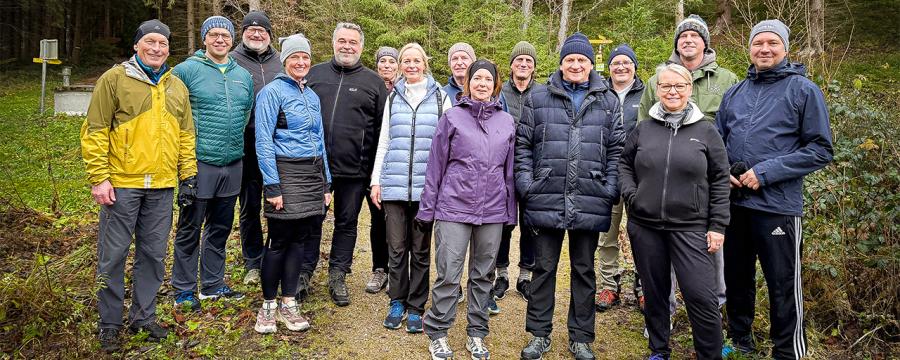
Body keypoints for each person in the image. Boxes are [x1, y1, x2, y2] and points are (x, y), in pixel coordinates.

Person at [717, 20, 833, 359]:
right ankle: (740, 342)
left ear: (784, 48)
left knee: (783, 284)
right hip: (735, 205)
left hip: (778, 206)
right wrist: (723, 170)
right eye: (758, 43)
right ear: (749, 49)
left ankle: (788, 351)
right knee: (737, 279)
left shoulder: (803, 90)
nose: (764, 49)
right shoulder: (735, 92)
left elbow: (820, 149)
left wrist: (765, 173)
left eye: (772, 43)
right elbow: (716, 142)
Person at [80, 19, 196, 352]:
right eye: (150, 42)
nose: (157, 48)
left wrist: (187, 175)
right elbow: (96, 130)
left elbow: (186, 136)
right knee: (113, 256)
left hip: (162, 186)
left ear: (168, 49)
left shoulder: (176, 87)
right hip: (122, 185)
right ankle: (110, 323)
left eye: (163, 43)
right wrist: (99, 177)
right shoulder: (114, 80)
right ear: (137, 45)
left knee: (153, 254)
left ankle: (144, 317)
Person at [516, 33, 625, 360]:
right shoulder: (538, 97)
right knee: (544, 268)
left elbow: (617, 149)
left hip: (591, 196)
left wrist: (609, 187)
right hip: (546, 195)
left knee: (584, 270)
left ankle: (581, 337)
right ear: (561, 63)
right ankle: (539, 334)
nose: (575, 65)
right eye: (570, 60)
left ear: (591, 64)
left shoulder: (607, 101)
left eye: (581, 60)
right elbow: (523, 145)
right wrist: (527, 184)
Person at [620, 63, 731, 360]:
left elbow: (721, 178)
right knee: (655, 294)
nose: (672, 91)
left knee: (701, 296)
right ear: (657, 90)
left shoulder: (706, 132)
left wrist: (717, 225)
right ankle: (659, 350)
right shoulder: (643, 128)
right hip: (645, 226)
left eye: (679, 86)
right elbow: (624, 165)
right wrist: (632, 196)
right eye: (666, 86)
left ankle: (708, 354)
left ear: (689, 89)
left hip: (692, 227)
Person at [636, 14, 738, 322]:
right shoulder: (657, 79)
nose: (688, 40)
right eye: (683, 36)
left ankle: (711, 319)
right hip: (662, 184)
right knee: (659, 257)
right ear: (677, 43)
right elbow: (642, 131)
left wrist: (727, 167)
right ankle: (661, 317)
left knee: (711, 254)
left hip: (705, 183)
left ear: (705, 43)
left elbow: (735, 127)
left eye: (695, 36)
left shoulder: (726, 80)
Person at [419, 59, 516, 360]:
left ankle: (477, 332)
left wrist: (510, 213)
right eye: (477, 79)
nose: (482, 84)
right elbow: (435, 166)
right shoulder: (452, 118)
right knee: (449, 272)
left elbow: (509, 172)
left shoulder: (507, 122)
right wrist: (427, 209)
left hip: (492, 211)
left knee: (483, 275)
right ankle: (438, 331)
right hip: (453, 207)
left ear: (495, 84)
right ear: (468, 83)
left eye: (488, 79)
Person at [170, 15, 254, 311]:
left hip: (232, 162)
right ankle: (183, 289)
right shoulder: (185, 71)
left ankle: (212, 284)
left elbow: (245, 114)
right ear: (204, 39)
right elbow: (172, 117)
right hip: (199, 162)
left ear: (233, 40)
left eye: (226, 35)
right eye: (214, 35)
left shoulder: (242, 75)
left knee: (220, 226)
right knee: (190, 227)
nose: (220, 40)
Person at [252, 34, 333, 334]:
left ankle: (289, 303)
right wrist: (272, 185)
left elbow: (321, 141)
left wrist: (326, 183)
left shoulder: (311, 95)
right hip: (284, 173)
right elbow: (263, 141)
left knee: (300, 239)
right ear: (285, 60)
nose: (301, 62)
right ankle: (268, 306)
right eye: (295, 57)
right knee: (278, 241)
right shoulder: (272, 93)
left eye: (305, 58)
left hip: (312, 175)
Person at [369, 43, 451, 334]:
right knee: (396, 248)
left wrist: (443, 188)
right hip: (393, 186)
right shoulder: (394, 97)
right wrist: (376, 180)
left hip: (425, 190)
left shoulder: (442, 99)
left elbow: (448, 149)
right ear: (401, 65)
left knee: (420, 250)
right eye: (407, 61)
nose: (411, 65)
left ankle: (417, 306)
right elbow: (384, 141)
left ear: (425, 64)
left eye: (417, 60)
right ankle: (397, 301)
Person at [305, 22, 389, 306]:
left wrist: (374, 172)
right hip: (314, 169)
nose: (347, 46)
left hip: (355, 171)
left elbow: (382, 131)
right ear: (333, 42)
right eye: (342, 40)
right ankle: (304, 273)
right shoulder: (314, 74)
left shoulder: (374, 83)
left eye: (353, 42)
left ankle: (338, 274)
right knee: (311, 221)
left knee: (346, 223)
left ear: (361, 47)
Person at [231, 10, 284, 286]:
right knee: (250, 205)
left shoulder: (281, 62)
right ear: (242, 33)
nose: (256, 34)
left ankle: (275, 253)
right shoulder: (231, 61)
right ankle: (253, 261)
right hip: (246, 144)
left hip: (278, 144)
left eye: (262, 30)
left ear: (269, 35)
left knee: (278, 202)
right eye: (250, 29)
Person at [595, 43, 646, 312]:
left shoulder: (648, 94)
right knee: (607, 233)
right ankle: (607, 285)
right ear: (610, 67)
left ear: (635, 67)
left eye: (627, 62)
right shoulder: (600, 93)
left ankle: (643, 288)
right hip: (608, 172)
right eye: (616, 63)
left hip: (641, 175)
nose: (621, 66)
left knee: (642, 233)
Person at [495, 40, 542, 301]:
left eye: (528, 61)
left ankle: (526, 276)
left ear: (534, 67)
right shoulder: (501, 93)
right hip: (504, 169)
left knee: (531, 224)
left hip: (534, 169)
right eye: (519, 60)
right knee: (503, 224)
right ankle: (501, 274)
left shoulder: (543, 93)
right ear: (511, 65)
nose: (523, 64)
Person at [362, 46, 399, 295]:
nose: (386, 65)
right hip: (370, 162)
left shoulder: (406, 90)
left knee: (399, 221)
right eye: (382, 61)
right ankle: (379, 268)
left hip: (398, 166)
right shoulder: (369, 87)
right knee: (377, 218)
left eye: (391, 61)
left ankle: (398, 271)